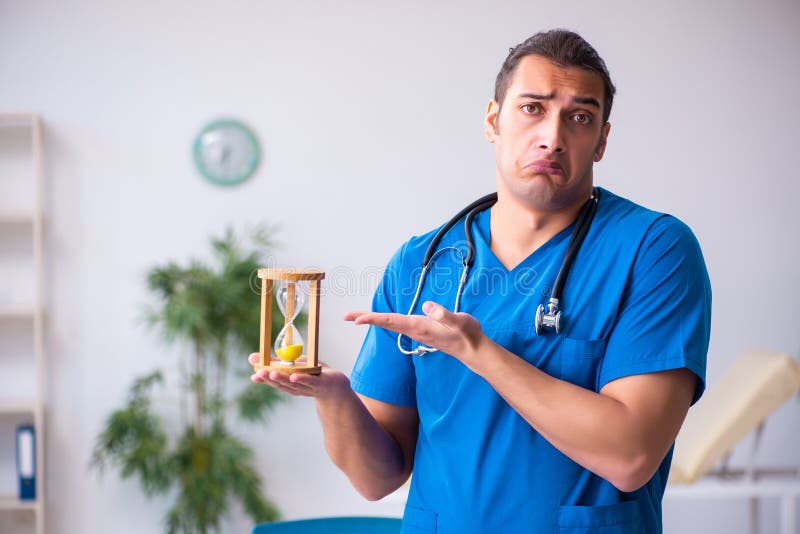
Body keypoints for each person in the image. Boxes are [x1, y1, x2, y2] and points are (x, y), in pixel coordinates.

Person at [250, 29, 711, 534]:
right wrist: (335, 398)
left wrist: (479, 352)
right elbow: (376, 478)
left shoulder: (652, 250)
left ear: (601, 139)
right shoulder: (420, 262)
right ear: (493, 120)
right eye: (532, 108)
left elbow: (631, 454)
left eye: (579, 117)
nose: (552, 137)